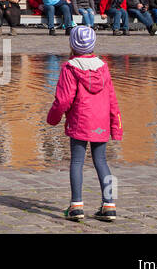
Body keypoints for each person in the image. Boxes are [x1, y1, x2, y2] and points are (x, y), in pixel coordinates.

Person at [46, 26, 122, 222]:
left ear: (72, 44)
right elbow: (112, 98)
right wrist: (116, 125)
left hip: (80, 120)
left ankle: (76, 205)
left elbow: (63, 99)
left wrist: (52, 118)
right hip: (101, 121)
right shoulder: (103, 67)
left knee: (77, 162)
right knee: (102, 161)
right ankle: (109, 205)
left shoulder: (70, 68)